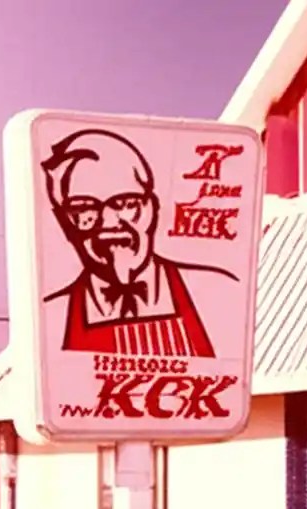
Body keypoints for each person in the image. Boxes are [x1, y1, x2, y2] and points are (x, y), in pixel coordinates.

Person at [40, 129, 237, 357]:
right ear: (65, 223)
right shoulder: (50, 315)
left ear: (152, 209)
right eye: (85, 208)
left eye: (125, 203)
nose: (109, 223)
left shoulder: (216, 292)